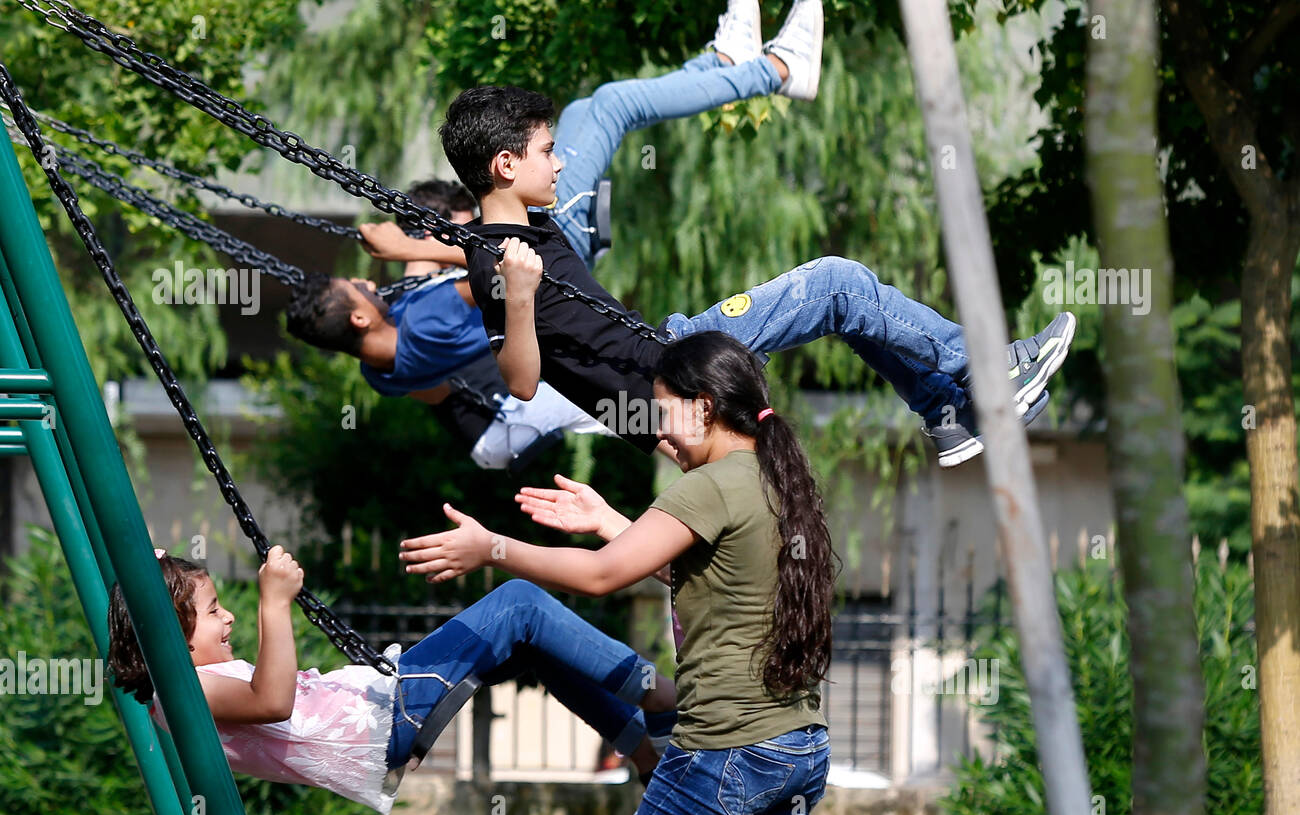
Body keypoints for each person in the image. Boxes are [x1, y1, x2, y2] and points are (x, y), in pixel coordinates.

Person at [435, 20, 1070, 467]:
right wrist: (518, 298)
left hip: (666, 354)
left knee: (603, 109)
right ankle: (986, 372)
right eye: (547, 154)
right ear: (505, 166)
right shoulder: (499, 261)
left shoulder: (520, 227)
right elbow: (521, 382)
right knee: (836, 283)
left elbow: (590, 128)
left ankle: (946, 413)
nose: (559, 165)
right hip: (671, 371)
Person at [399, 330, 837, 815]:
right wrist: (608, 520)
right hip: (798, 749)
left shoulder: (709, 485)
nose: (660, 433)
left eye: (665, 412)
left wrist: (493, 548)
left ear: (705, 408)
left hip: (726, 751)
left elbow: (599, 575)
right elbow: (711, 579)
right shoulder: (779, 479)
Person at [106, 546, 677, 815]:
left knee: (529, 641)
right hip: (387, 719)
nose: (227, 618)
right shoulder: (179, 696)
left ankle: (641, 748)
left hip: (385, 704)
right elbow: (273, 700)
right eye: (212, 612)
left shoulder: (187, 686)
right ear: (170, 637)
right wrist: (272, 604)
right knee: (519, 605)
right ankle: (657, 693)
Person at [358, 0, 823, 272]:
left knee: (590, 105)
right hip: (555, 239)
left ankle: (723, 61)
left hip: (542, 230)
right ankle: (777, 69)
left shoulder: (421, 282)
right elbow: (491, 269)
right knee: (614, 107)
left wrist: (413, 253)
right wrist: (409, 249)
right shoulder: (424, 310)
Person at [286, 180, 617, 471]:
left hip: (484, 442)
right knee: (623, 399)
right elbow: (494, 260)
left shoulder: (376, 374)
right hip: (511, 417)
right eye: (357, 288)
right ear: (359, 319)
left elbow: (437, 393)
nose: (366, 283)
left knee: (618, 410)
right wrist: (407, 247)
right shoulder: (426, 314)